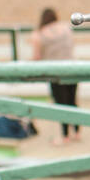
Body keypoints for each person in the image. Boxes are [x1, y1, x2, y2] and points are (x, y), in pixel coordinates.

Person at [30, 8, 79, 143]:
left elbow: (37, 56)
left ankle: (65, 136)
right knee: (72, 101)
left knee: (60, 104)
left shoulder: (40, 34)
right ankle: (77, 132)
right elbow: (72, 46)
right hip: (72, 68)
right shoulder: (66, 28)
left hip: (55, 71)